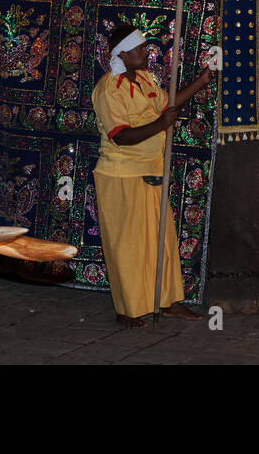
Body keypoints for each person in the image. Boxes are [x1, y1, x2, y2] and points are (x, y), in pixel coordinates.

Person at [91, 23, 214, 328]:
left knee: (162, 241)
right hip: (121, 175)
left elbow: (166, 104)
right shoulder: (109, 89)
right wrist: (161, 125)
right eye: (140, 48)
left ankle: (171, 302)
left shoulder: (145, 79)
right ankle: (127, 311)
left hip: (152, 169)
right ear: (124, 53)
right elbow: (121, 136)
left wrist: (201, 81)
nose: (147, 52)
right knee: (128, 246)